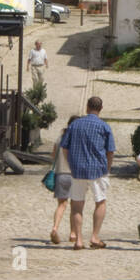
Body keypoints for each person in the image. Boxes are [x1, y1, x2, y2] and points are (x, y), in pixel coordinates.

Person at [58, 96, 115, 250]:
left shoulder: (75, 125)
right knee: (100, 202)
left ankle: (78, 240)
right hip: (98, 169)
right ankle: (95, 237)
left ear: (87, 107)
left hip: (78, 170)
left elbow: (64, 147)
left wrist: (70, 164)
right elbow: (110, 151)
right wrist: (107, 168)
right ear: (101, 109)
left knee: (76, 206)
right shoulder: (104, 127)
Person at [49, 115, 78, 245]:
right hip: (74, 175)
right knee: (75, 206)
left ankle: (55, 228)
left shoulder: (60, 138)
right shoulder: (77, 140)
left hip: (60, 174)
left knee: (61, 204)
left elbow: (53, 155)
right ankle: (73, 233)